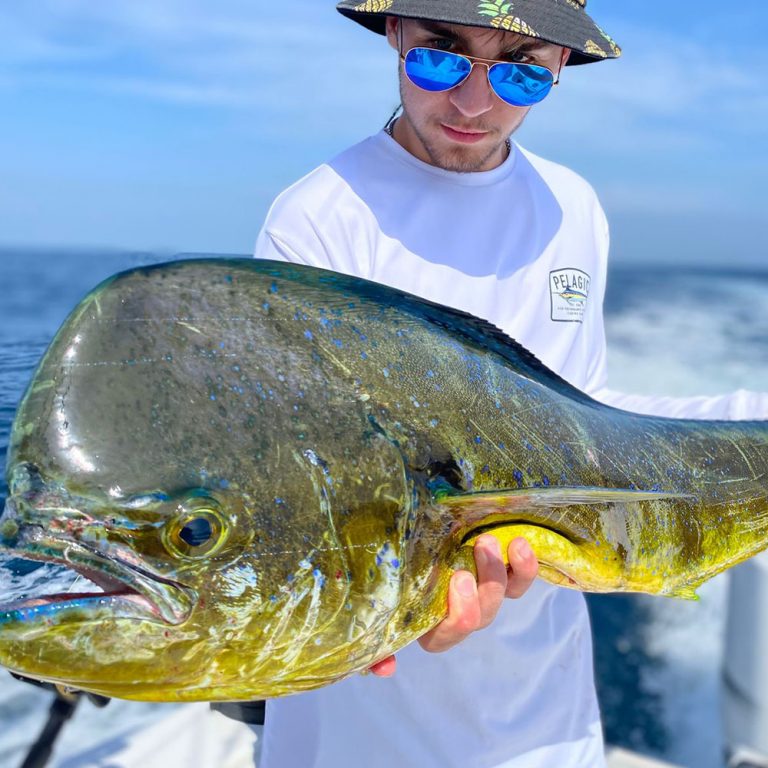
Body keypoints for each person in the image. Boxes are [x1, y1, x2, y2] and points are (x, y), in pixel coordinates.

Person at [252, 2, 768, 766]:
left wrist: (748, 418)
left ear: (560, 66)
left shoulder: (572, 209)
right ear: (396, 34)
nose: (473, 101)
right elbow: (309, 492)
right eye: (440, 54)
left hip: (548, 723)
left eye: (521, 72)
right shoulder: (319, 221)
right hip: (361, 724)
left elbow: (585, 425)